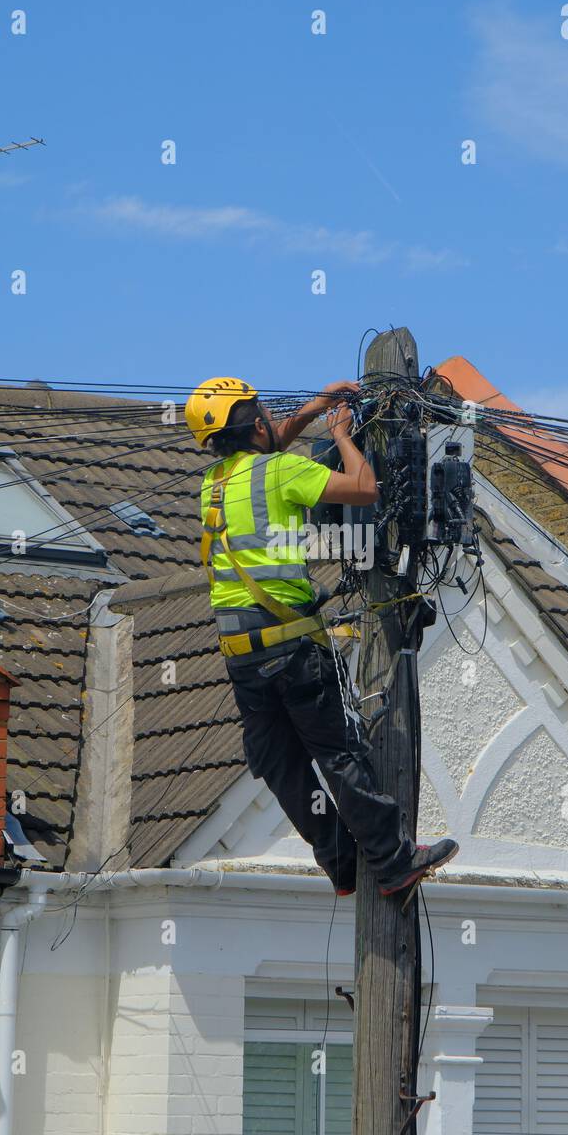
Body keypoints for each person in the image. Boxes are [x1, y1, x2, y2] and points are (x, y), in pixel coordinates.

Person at [185, 375, 459, 896]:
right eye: (263, 411)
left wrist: (313, 407)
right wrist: (341, 435)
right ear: (253, 421)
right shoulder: (282, 471)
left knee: (279, 763)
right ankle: (393, 860)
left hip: (240, 657)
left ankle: (341, 862)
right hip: (291, 649)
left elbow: (271, 448)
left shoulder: (215, 484)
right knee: (339, 752)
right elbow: (364, 487)